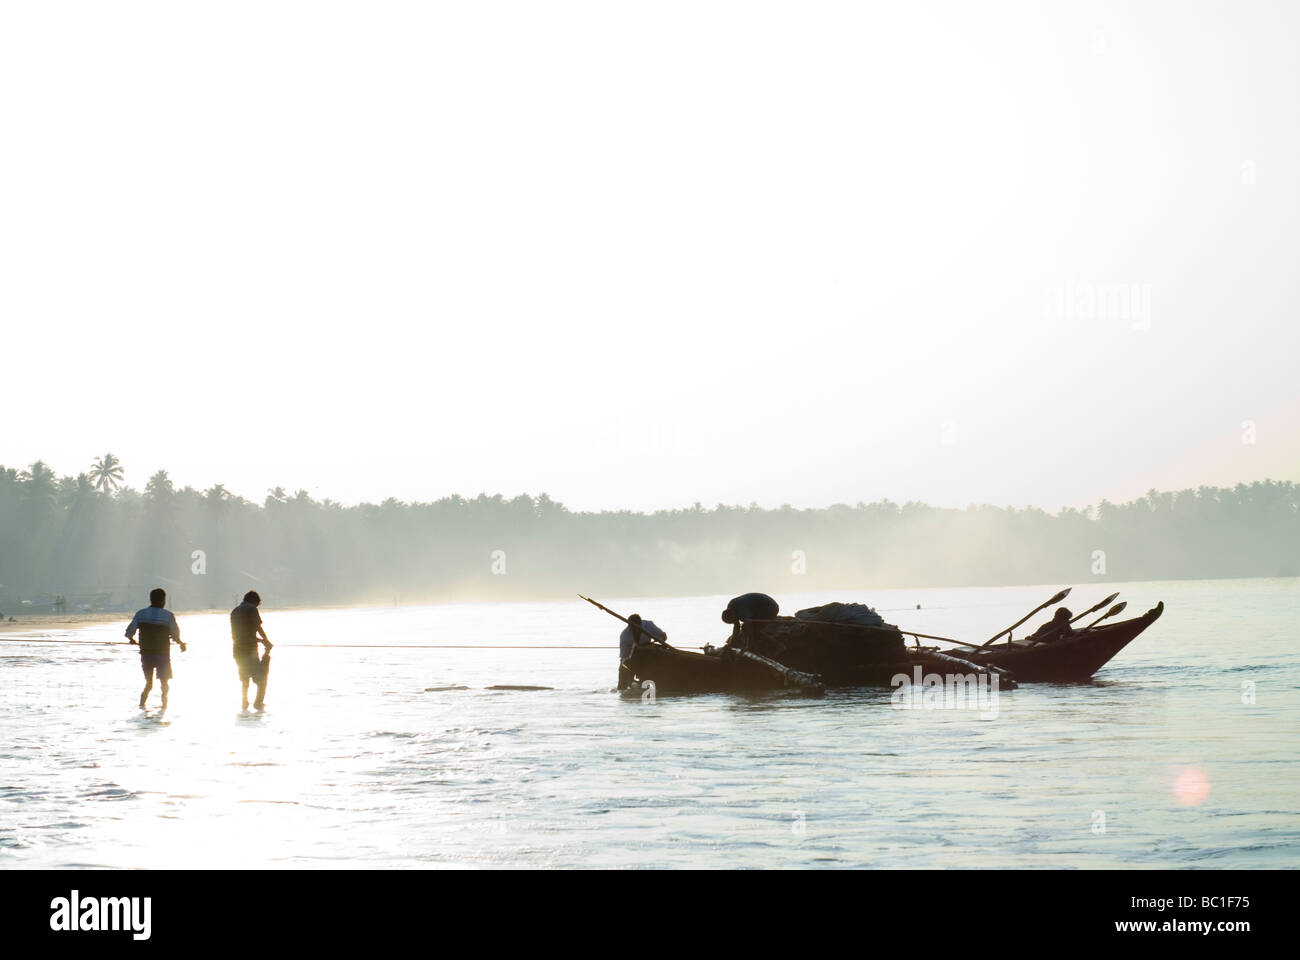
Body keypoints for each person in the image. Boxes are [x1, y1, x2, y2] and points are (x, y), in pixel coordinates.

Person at [125, 587, 185, 709]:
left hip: (146, 654)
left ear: (151, 599)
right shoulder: (168, 615)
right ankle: (164, 706)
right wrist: (181, 643)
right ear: (163, 600)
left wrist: (132, 640)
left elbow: (129, 631)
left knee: (149, 683)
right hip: (162, 654)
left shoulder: (141, 613)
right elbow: (175, 633)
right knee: (164, 682)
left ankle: (142, 705)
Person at [231, 590, 273, 710]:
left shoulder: (235, 611)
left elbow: (241, 633)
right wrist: (265, 640)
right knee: (261, 677)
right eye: (258, 604)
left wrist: (260, 640)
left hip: (237, 649)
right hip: (250, 649)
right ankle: (258, 703)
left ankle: (244, 702)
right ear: (254, 601)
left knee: (244, 678)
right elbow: (256, 626)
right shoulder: (251, 609)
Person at [618, 613, 666, 691]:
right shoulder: (625, 636)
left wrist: (660, 639)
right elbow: (624, 658)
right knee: (623, 674)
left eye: (637, 628)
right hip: (632, 658)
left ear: (641, 624)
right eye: (633, 628)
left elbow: (663, 636)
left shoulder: (648, 625)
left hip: (649, 655)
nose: (636, 630)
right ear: (629, 626)